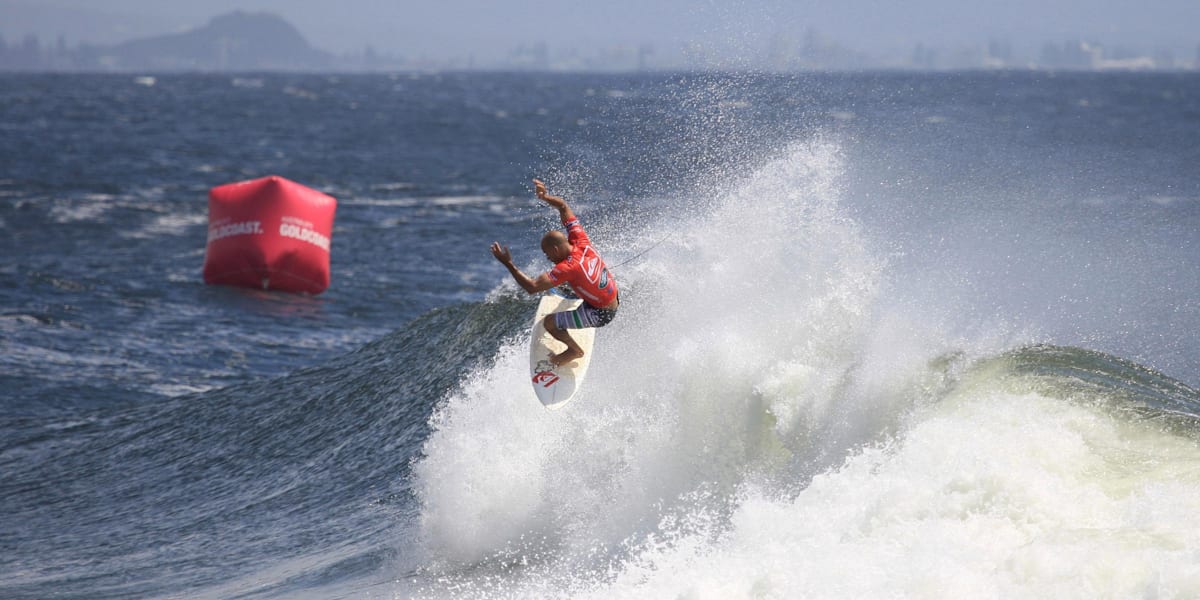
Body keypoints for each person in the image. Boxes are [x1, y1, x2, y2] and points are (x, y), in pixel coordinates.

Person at [491, 179, 620, 367]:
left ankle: (574, 350)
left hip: (600, 313)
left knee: (550, 323)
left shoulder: (568, 267)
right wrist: (545, 197)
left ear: (556, 250)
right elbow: (563, 206)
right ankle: (577, 299)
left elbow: (532, 288)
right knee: (566, 282)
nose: (547, 258)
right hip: (613, 294)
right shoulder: (580, 240)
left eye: (547, 253)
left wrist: (508, 264)